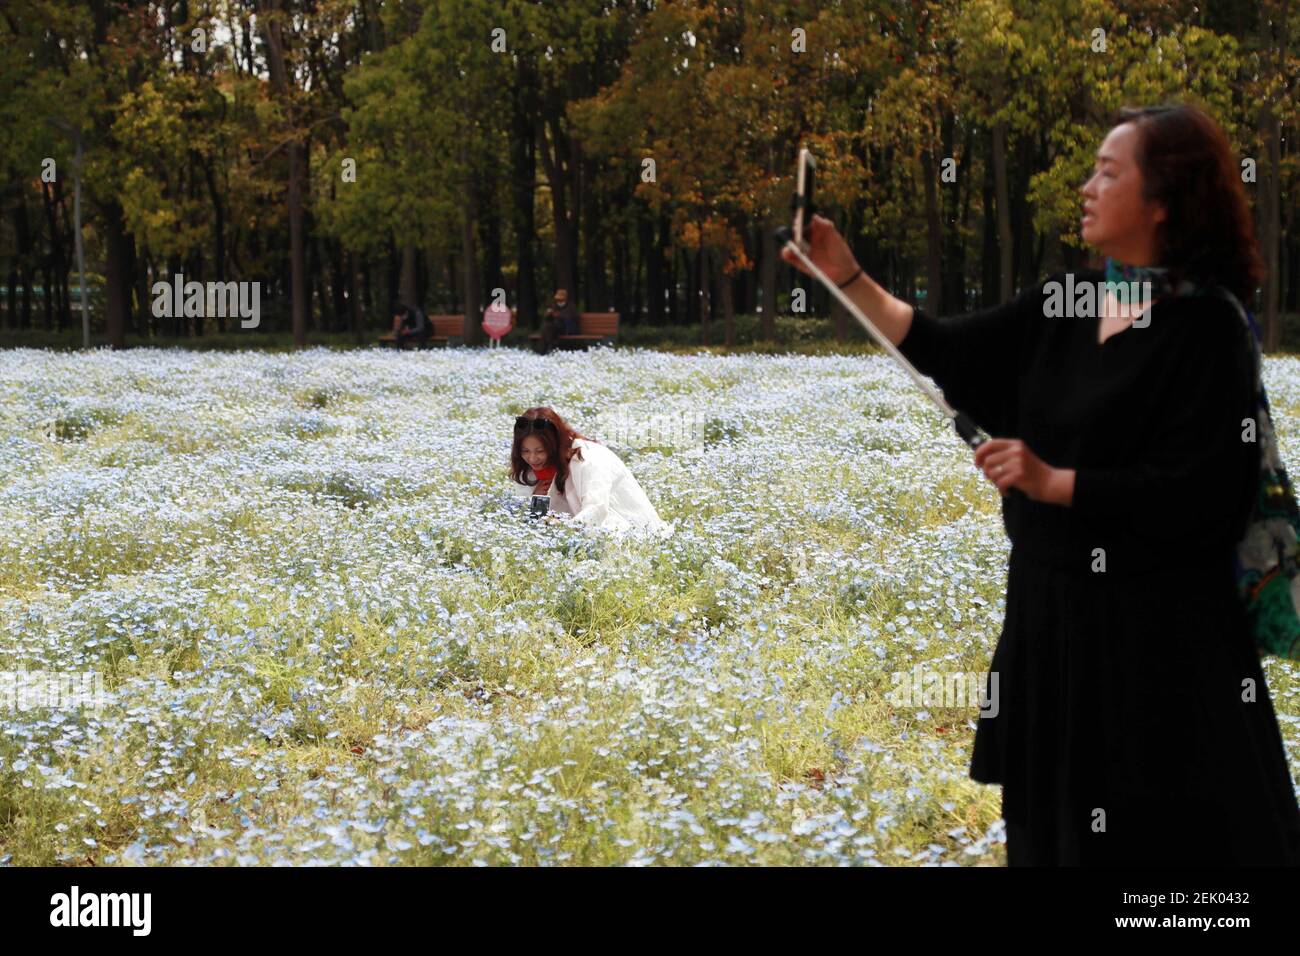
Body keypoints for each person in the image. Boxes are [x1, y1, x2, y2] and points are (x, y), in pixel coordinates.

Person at [783, 102, 1300, 866]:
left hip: (1160, 647)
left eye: (1108, 173)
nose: (1087, 188)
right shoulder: (1068, 300)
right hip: (1050, 626)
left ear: (1162, 200)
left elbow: (1201, 498)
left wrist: (1055, 483)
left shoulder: (1209, 328)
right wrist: (846, 274)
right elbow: (944, 349)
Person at [509, 406, 670, 535]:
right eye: (525, 451)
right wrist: (537, 499)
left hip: (628, 530)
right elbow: (532, 523)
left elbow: (596, 510)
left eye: (540, 451)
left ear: (554, 445)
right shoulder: (533, 469)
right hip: (579, 534)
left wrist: (564, 532)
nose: (532, 458)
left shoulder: (589, 459)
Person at [534, 289, 578, 355]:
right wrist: (548, 314)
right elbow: (547, 319)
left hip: (566, 328)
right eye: (558, 300)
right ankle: (549, 347)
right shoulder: (554, 306)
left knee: (548, 329)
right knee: (547, 328)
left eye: (561, 300)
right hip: (554, 328)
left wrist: (559, 315)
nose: (559, 301)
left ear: (565, 299)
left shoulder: (571, 306)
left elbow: (574, 318)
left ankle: (545, 350)